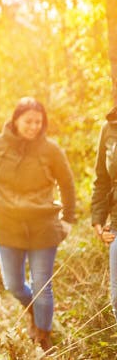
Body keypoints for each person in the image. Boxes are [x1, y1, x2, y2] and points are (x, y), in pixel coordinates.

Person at [0, 97, 75, 351]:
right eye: (28, 121)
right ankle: (33, 311)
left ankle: (43, 336)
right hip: (8, 225)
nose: (33, 127)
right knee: (13, 285)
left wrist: (68, 220)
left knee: (43, 286)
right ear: (16, 119)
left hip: (44, 226)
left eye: (38, 122)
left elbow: (67, 183)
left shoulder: (50, 149)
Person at [90, 106, 117, 320]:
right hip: (116, 224)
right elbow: (102, 179)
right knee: (116, 300)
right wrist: (98, 220)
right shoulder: (109, 128)